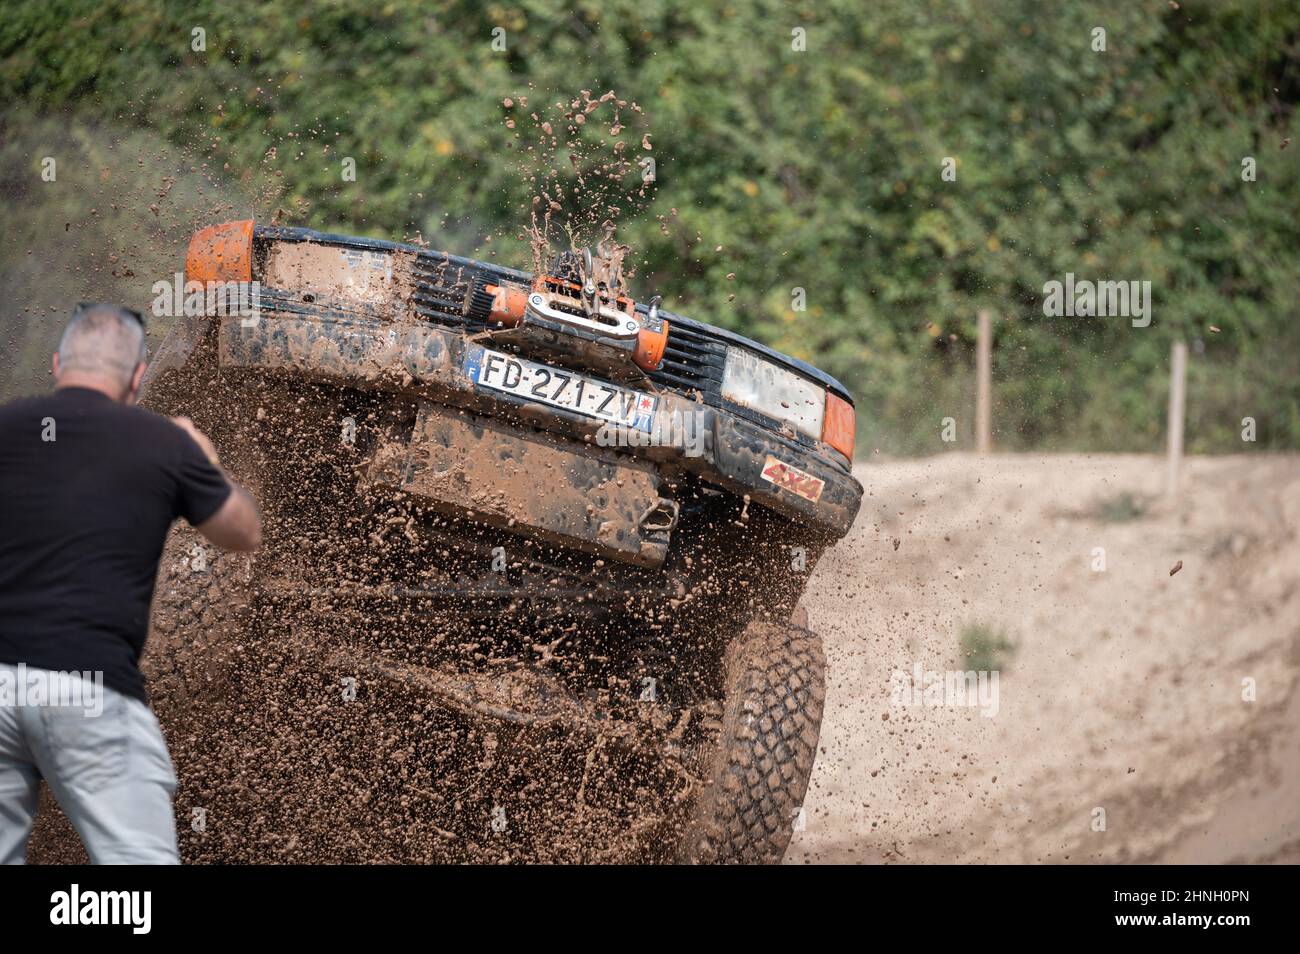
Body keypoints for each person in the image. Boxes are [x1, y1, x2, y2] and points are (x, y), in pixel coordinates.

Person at [0, 303, 261, 864]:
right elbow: (242, 533)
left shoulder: (10, 426)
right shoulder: (163, 442)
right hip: (91, 692)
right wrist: (206, 460)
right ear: (139, 376)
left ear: (56, 364)